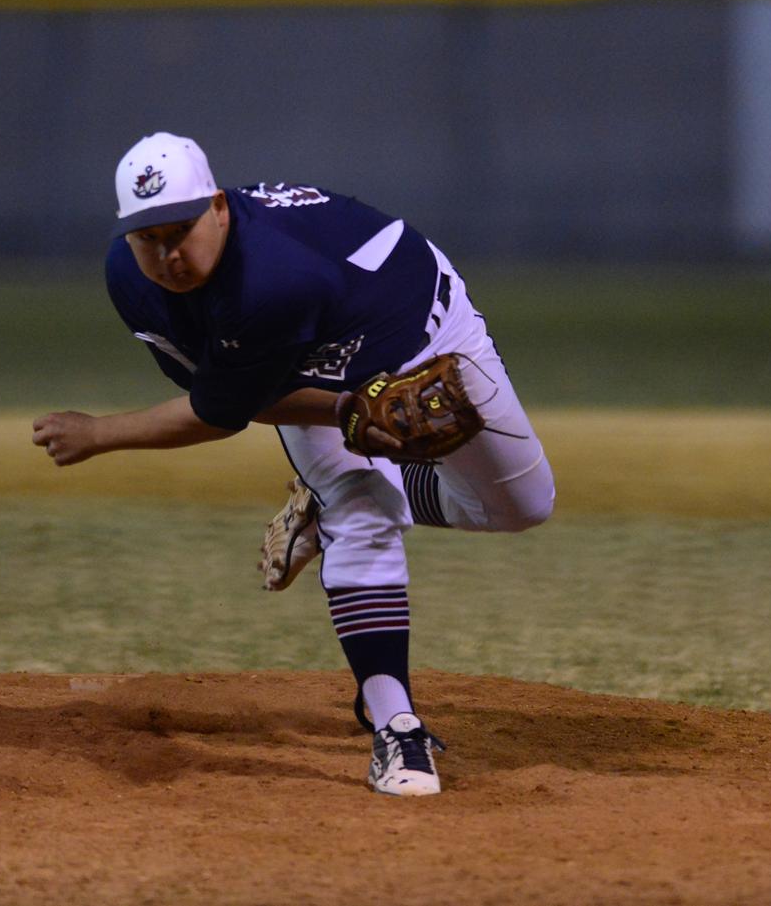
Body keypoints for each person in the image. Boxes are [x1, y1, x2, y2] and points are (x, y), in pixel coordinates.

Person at [32, 132, 555, 796]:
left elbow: (217, 412)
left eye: (179, 229)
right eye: (146, 236)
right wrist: (343, 412)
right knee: (362, 507)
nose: (166, 254)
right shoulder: (131, 281)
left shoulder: (272, 277)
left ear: (218, 207)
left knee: (523, 504)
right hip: (315, 370)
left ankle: (323, 510)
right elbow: (230, 398)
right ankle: (396, 722)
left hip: (426, 331)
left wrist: (99, 432)